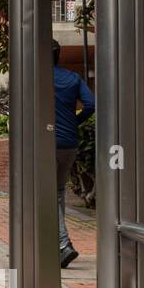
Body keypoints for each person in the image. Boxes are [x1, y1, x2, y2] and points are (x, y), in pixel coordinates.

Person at [53, 40, 95, 268]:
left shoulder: (37, 78)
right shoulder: (72, 78)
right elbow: (91, 104)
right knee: (57, 192)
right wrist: (74, 122)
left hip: (44, 144)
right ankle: (57, 245)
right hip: (69, 144)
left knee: (50, 195)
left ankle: (63, 245)